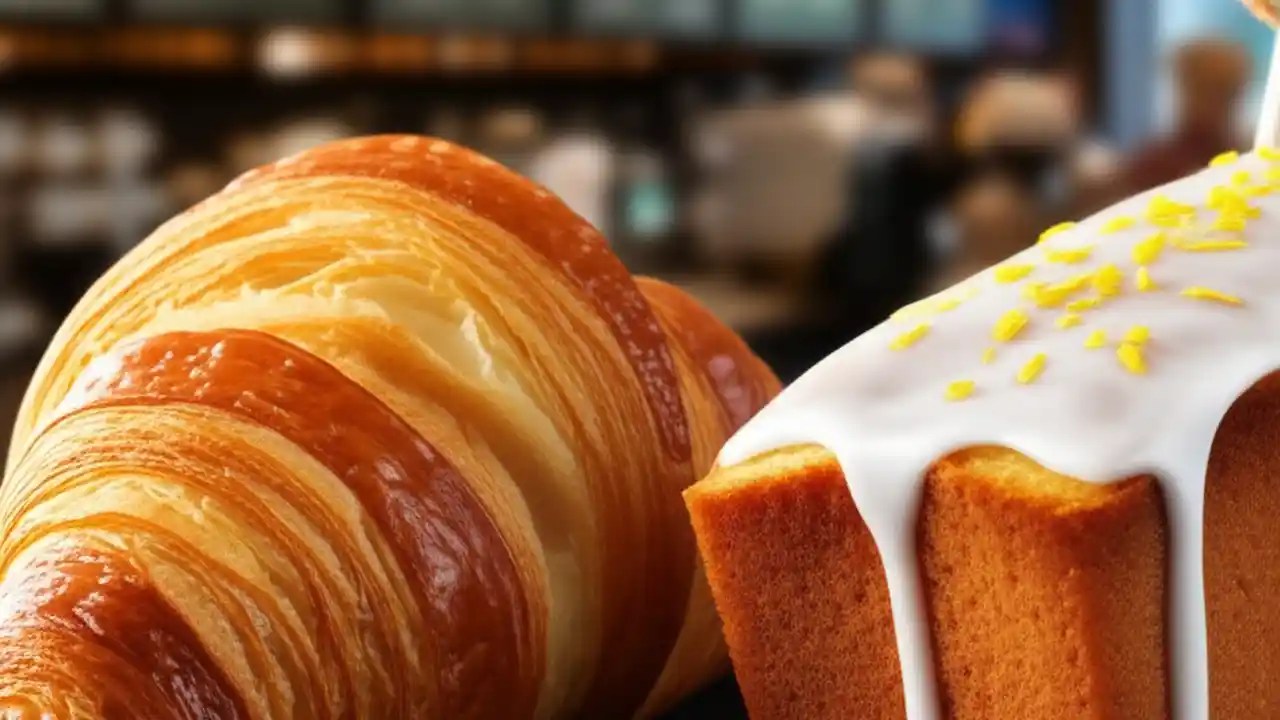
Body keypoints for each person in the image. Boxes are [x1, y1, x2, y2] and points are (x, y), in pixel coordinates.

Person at [1126, 38, 1252, 193]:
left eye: (1226, 90)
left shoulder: (1252, 162)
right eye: (1206, 88)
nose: (1215, 101)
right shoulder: (1153, 166)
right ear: (1184, 87)